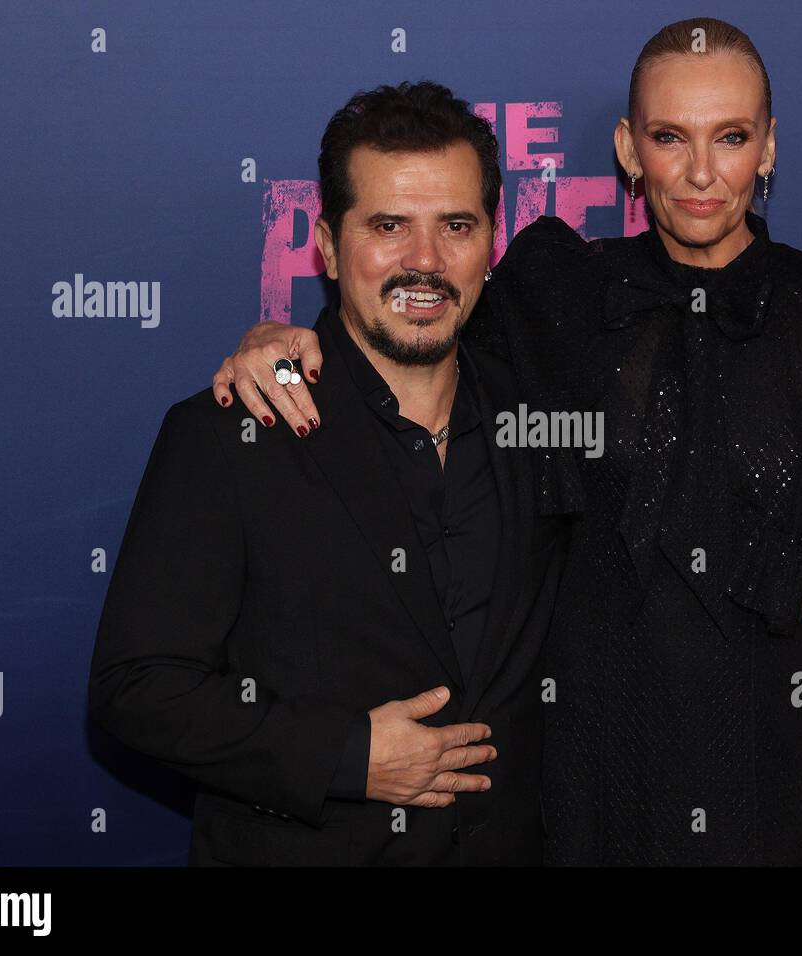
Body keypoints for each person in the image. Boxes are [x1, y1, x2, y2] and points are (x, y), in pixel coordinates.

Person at [211, 18, 802, 865]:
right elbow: (412, 346)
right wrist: (283, 337)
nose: (701, 173)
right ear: (629, 148)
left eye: (731, 137)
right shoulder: (560, 295)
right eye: (670, 138)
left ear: (769, 147)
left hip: (769, 766)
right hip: (583, 770)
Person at [88, 81, 574, 865]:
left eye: (456, 225)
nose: (425, 260)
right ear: (325, 244)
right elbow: (136, 686)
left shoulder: (547, 424)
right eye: (389, 226)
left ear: (493, 239)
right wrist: (347, 755)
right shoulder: (229, 434)